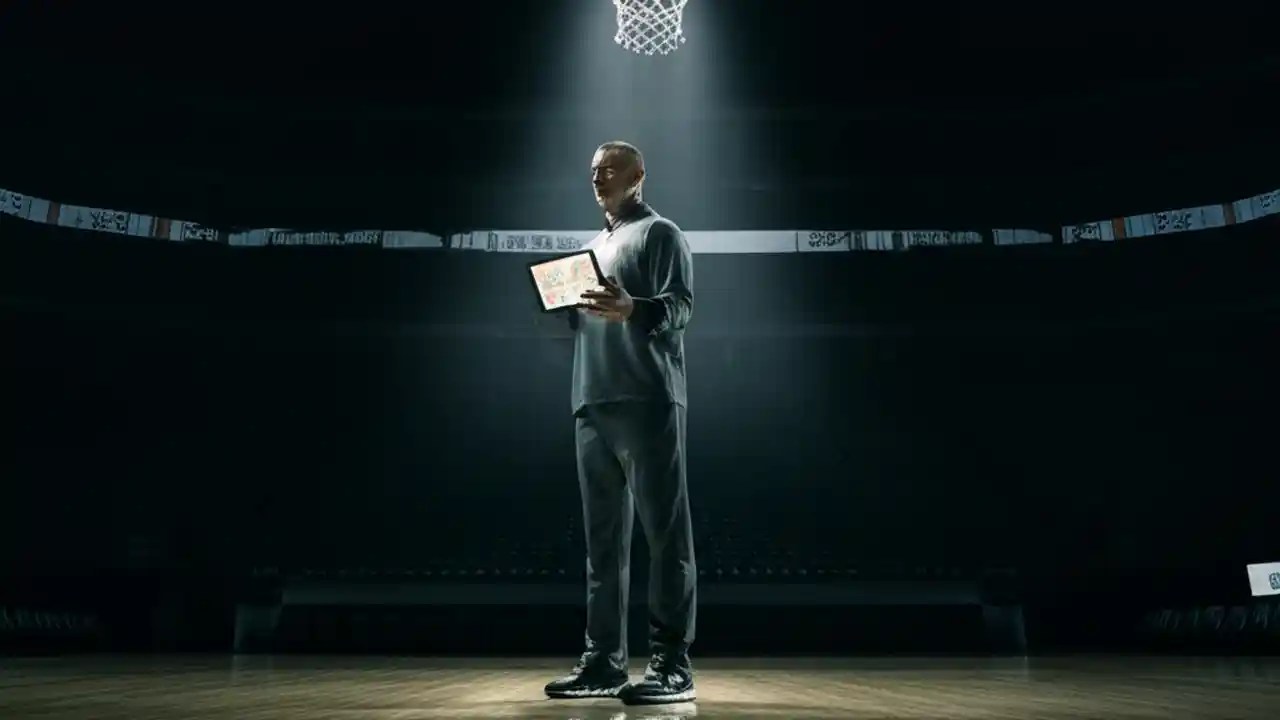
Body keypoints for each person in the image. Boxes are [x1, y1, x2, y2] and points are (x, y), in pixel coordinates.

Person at [543, 141, 697, 706]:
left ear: (638, 176)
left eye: (608, 169)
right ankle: (604, 662)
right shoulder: (588, 248)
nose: (597, 176)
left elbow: (681, 306)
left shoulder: (662, 234)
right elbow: (587, 324)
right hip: (591, 400)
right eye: (591, 170)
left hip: (648, 399)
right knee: (602, 546)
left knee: (665, 539)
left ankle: (672, 665)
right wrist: (566, 308)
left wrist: (635, 308)